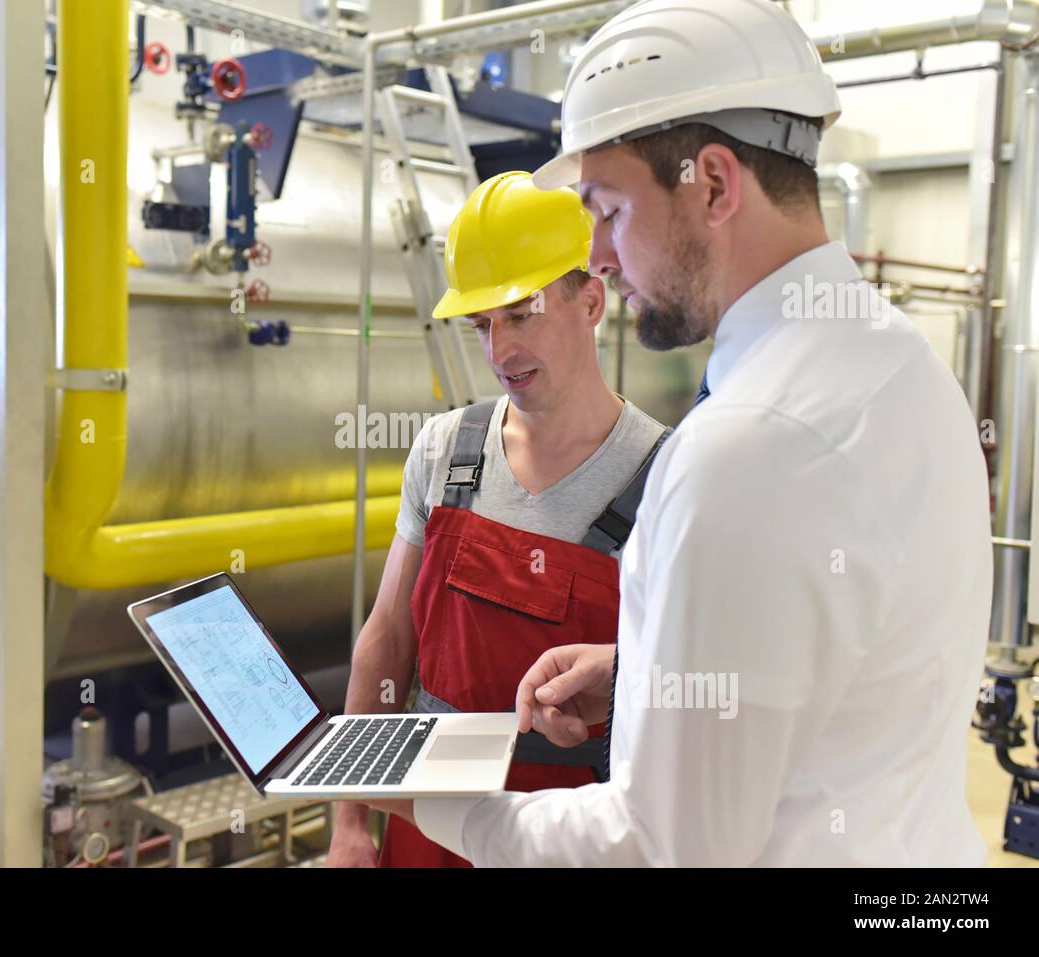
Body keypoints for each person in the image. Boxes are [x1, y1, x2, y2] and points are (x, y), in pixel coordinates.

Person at [363, 0, 992, 866]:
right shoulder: (903, 369)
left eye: (610, 211)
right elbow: (839, 682)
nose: (602, 256)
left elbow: (663, 847)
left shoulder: (742, 447)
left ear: (715, 184)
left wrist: (451, 811)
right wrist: (649, 679)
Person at [326, 171, 668, 868]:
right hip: (426, 823)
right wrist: (350, 822)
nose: (498, 351)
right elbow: (387, 637)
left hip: (564, 837)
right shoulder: (446, 450)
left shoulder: (664, 477)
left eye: (521, 313)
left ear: (592, 300)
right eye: (482, 324)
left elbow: (682, 695)